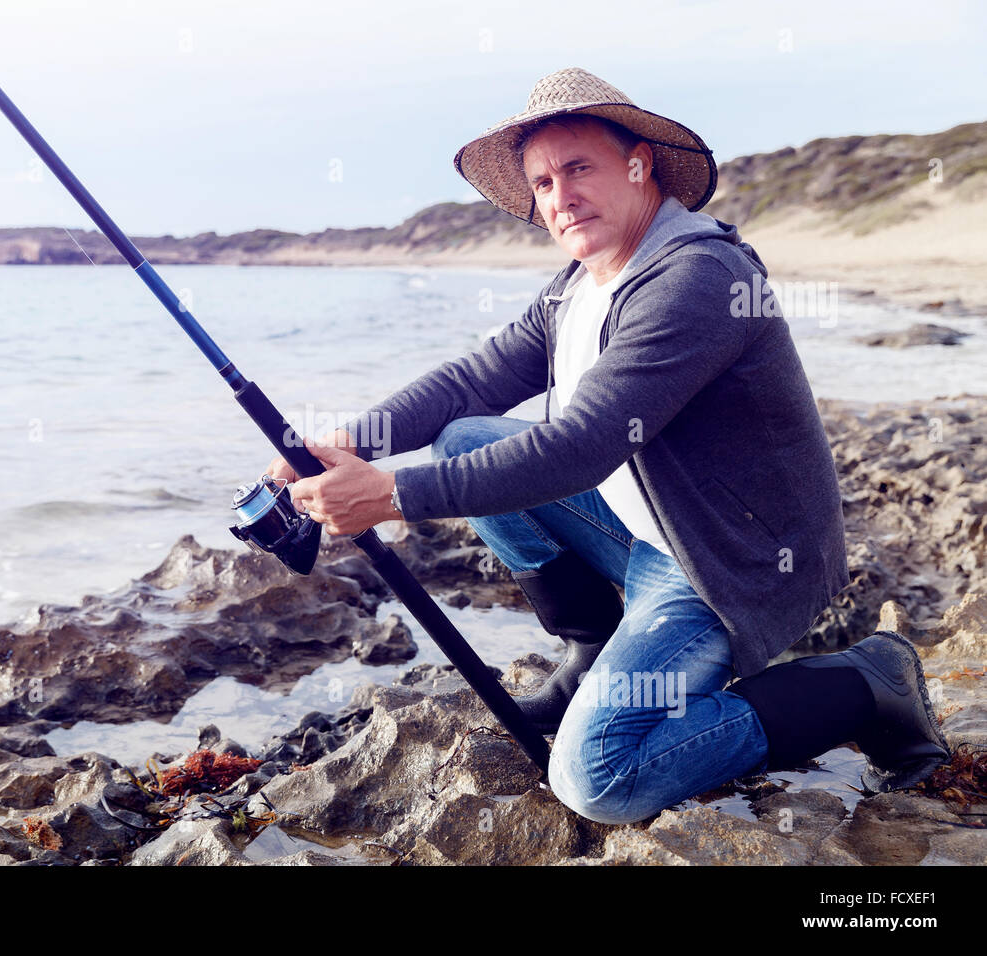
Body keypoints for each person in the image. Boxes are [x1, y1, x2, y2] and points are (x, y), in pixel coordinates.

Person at [266, 68, 948, 824]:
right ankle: (592, 650)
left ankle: (866, 680)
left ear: (639, 164)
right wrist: (344, 442)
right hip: (651, 532)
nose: (560, 197)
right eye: (544, 183)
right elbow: (473, 384)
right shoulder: (580, 283)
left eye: (577, 168)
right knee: (466, 436)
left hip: (725, 566)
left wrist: (394, 496)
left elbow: (580, 446)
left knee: (597, 779)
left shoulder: (697, 278)